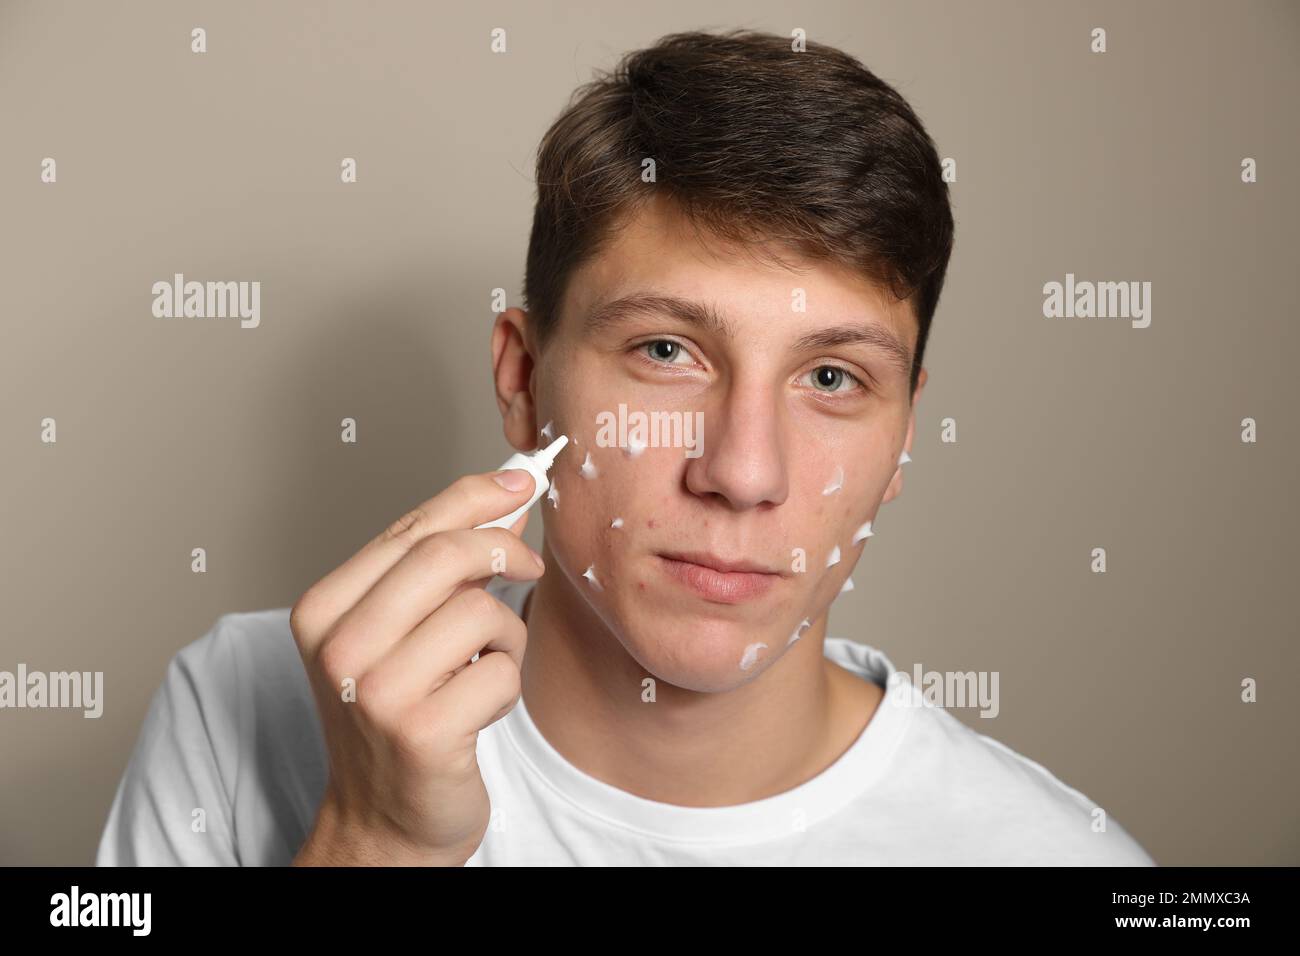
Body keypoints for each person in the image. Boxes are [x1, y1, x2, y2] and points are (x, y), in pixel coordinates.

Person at [96, 28, 1154, 866]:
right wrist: (373, 846)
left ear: (903, 435)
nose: (742, 473)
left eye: (831, 377)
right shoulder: (238, 705)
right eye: (665, 349)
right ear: (521, 379)